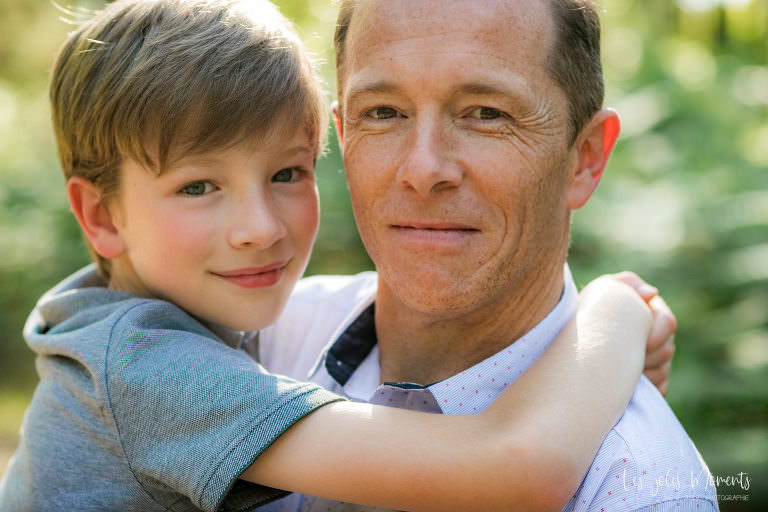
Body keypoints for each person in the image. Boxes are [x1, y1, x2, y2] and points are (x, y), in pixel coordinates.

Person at [0, 0, 673, 511]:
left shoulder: (163, 320)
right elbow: (520, 470)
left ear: (585, 158)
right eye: (198, 187)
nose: (259, 229)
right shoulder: (147, 367)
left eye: (286, 173)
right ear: (100, 216)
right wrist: (615, 314)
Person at [258, 0, 719, 511]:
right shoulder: (254, 342)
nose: (423, 169)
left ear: (585, 158)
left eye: (486, 114)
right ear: (344, 139)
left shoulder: (641, 492)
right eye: (384, 112)